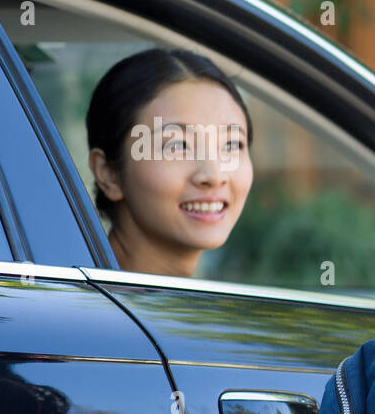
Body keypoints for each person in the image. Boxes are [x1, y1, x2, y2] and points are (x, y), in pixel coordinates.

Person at [87, 48, 253, 277]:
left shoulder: (182, 307)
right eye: (177, 146)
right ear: (109, 174)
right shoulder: (81, 309)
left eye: (232, 145)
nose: (214, 175)